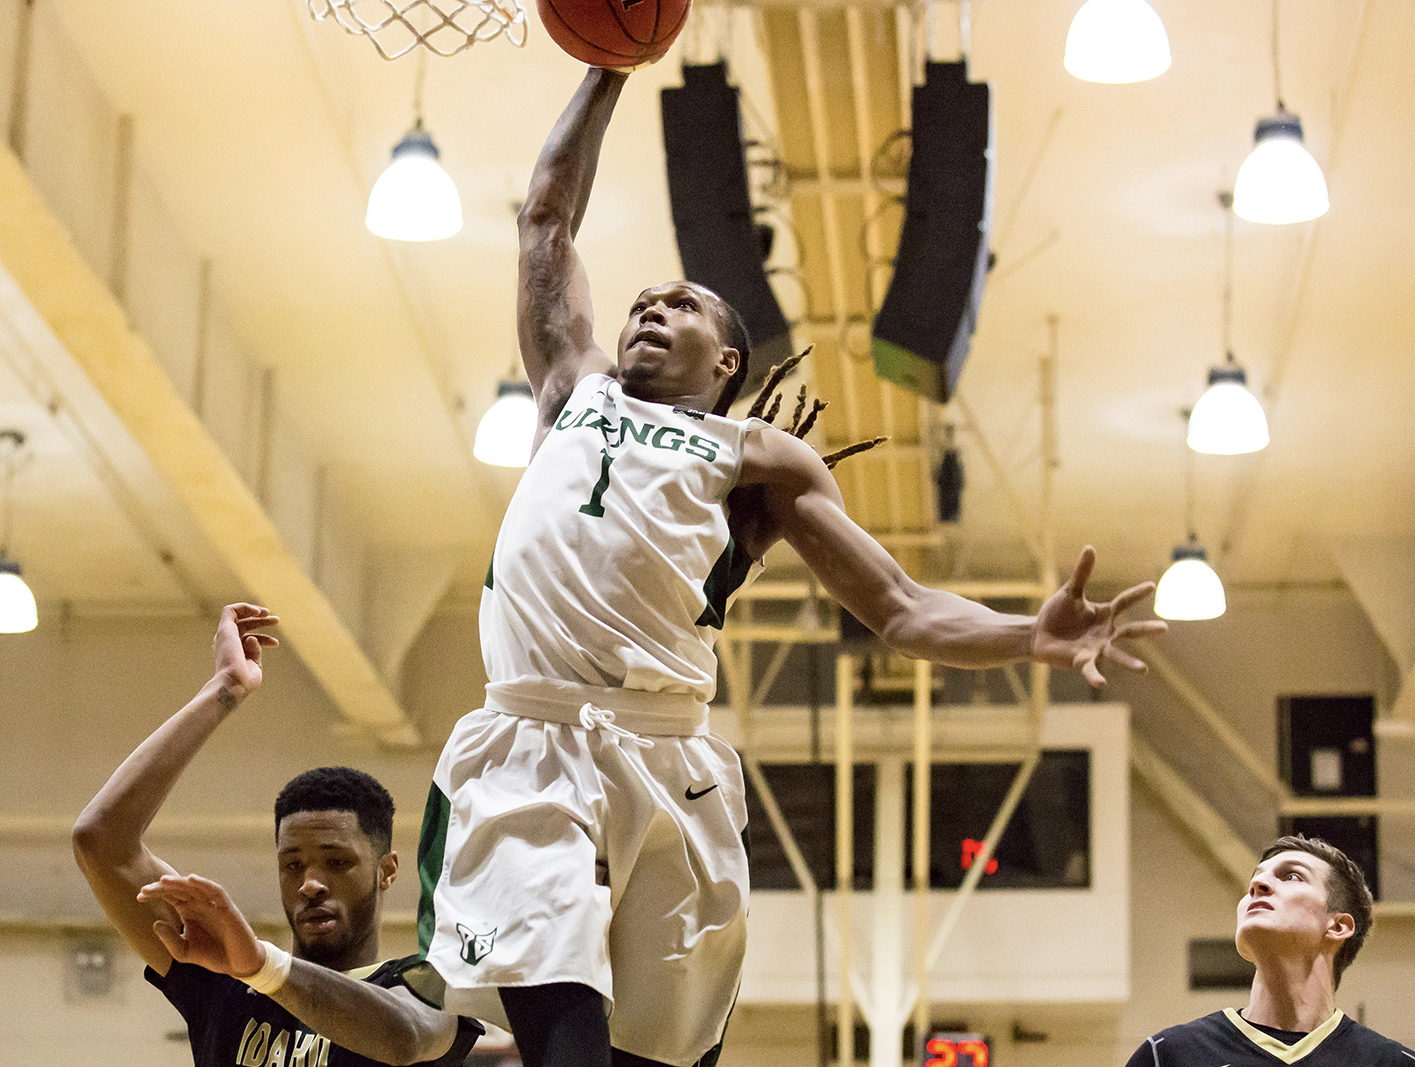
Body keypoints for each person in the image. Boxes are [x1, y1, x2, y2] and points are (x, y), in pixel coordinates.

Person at [410, 64, 1169, 1067]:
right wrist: (608, 67)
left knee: (661, 1052)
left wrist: (1024, 632)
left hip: (667, 745)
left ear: (726, 361)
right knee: (563, 1032)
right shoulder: (571, 388)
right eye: (640, 300)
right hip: (532, 731)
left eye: (677, 305)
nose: (646, 308)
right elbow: (546, 220)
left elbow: (896, 605)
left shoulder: (759, 457)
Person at [72, 603, 482, 1067]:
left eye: (337, 861)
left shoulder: (422, 984)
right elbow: (101, 840)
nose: (310, 883)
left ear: (386, 870)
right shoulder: (223, 971)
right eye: (292, 865)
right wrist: (223, 689)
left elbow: (405, 1037)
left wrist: (261, 968)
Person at [1125, 835, 1411, 1066]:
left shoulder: (1393, 1062)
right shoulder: (1166, 1057)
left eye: (1292, 877)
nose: (1256, 885)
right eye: (1256, 878)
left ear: (1337, 926)